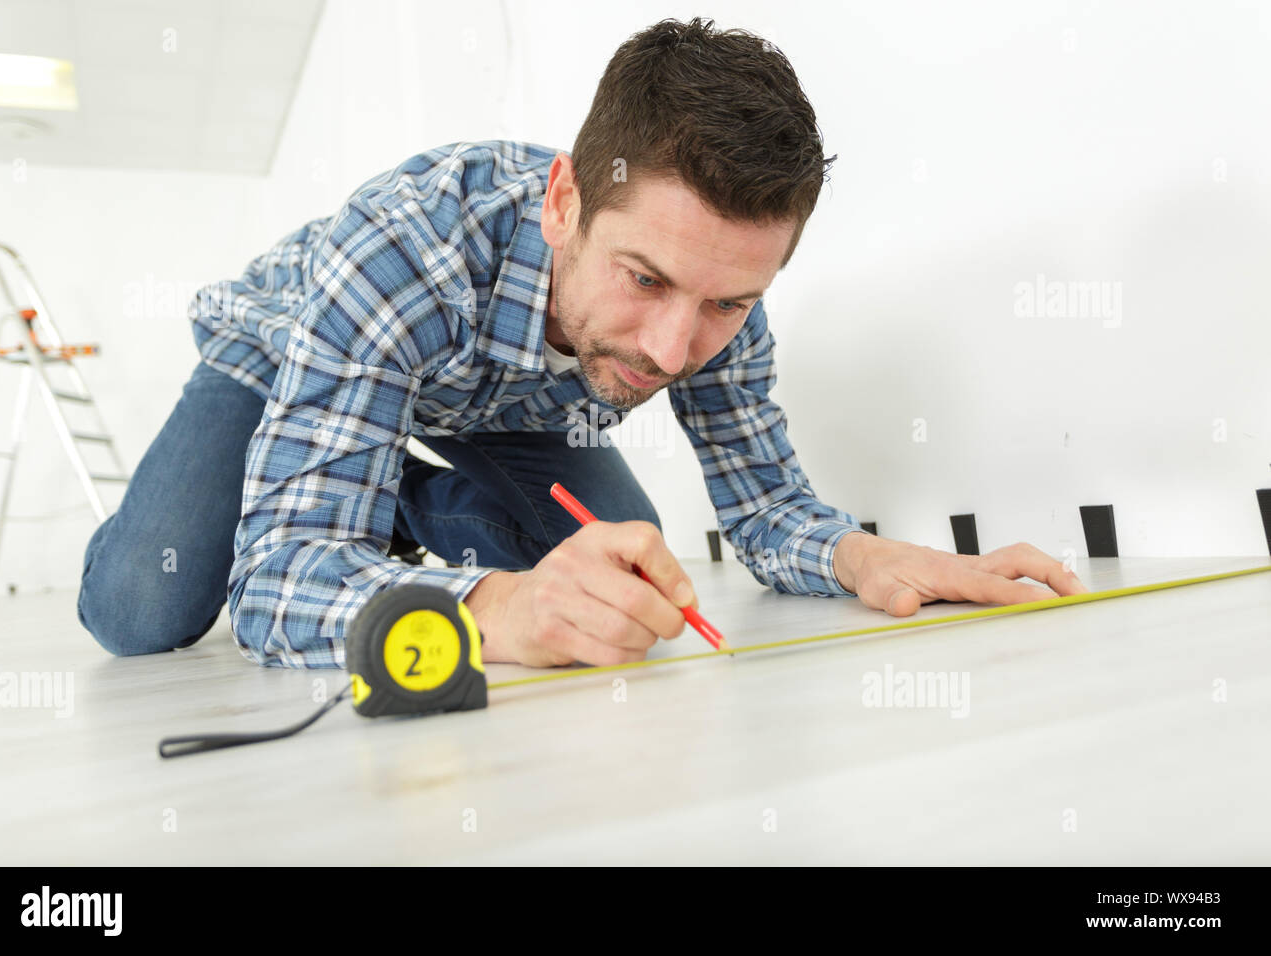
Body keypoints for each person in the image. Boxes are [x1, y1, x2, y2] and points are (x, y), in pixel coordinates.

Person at [77, 16, 1087, 669]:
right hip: (292, 350)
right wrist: (490, 613)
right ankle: (352, 474)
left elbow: (767, 506)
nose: (672, 346)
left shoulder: (712, 297)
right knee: (143, 606)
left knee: (619, 576)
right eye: (643, 279)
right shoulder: (403, 250)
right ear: (563, 202)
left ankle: (380, 494)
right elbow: (279, 576)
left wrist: (868, 555)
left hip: (504, 406)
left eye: (727, 302)